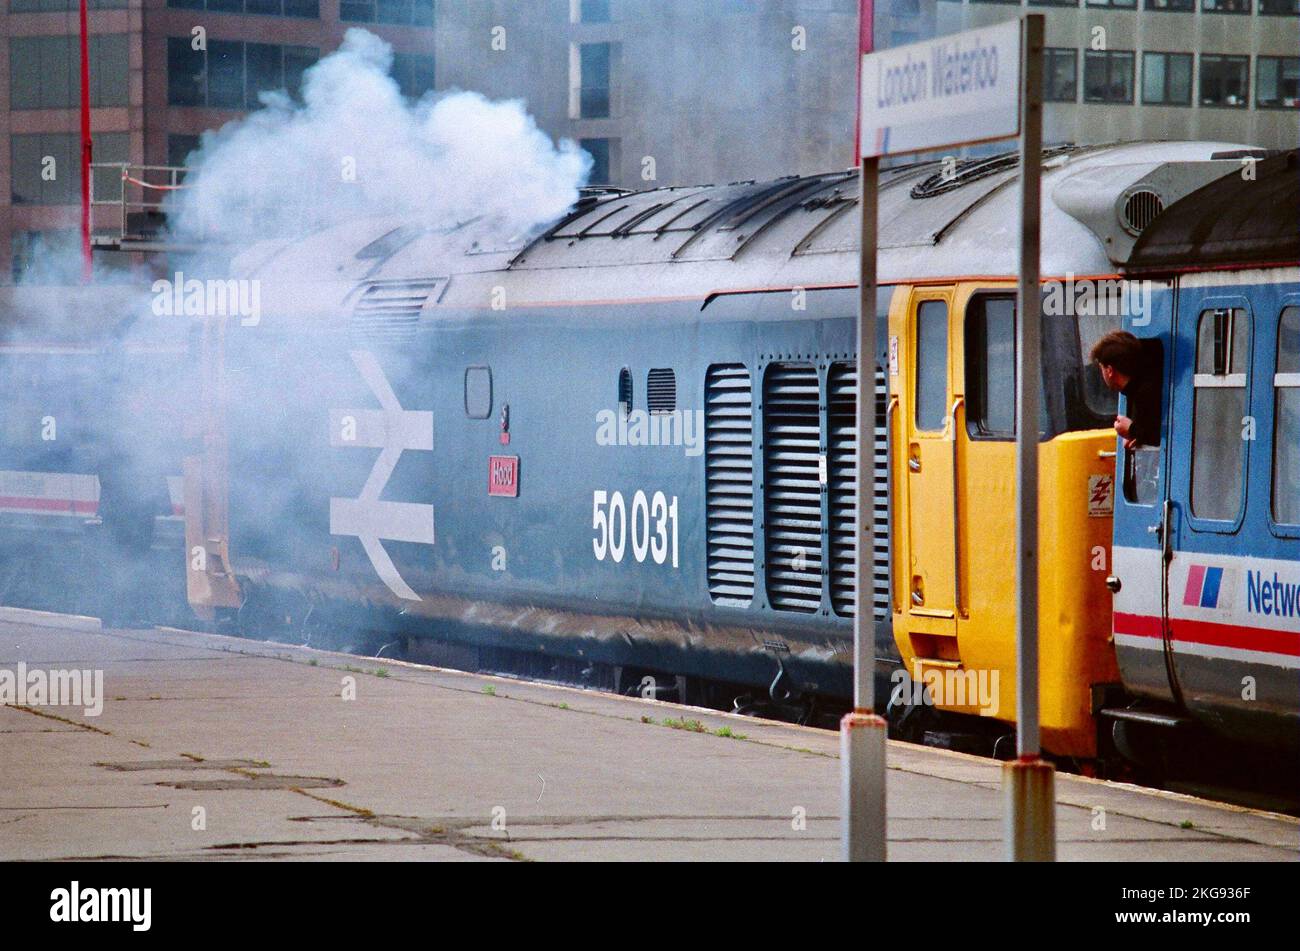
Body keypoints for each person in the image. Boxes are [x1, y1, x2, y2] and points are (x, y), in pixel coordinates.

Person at [1089, 330, 1162, 449]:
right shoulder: (1141, 388)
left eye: (1101, 367)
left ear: (1109, 371)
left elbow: (1160, 433)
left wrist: (1132, 431)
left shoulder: (1145, 394)